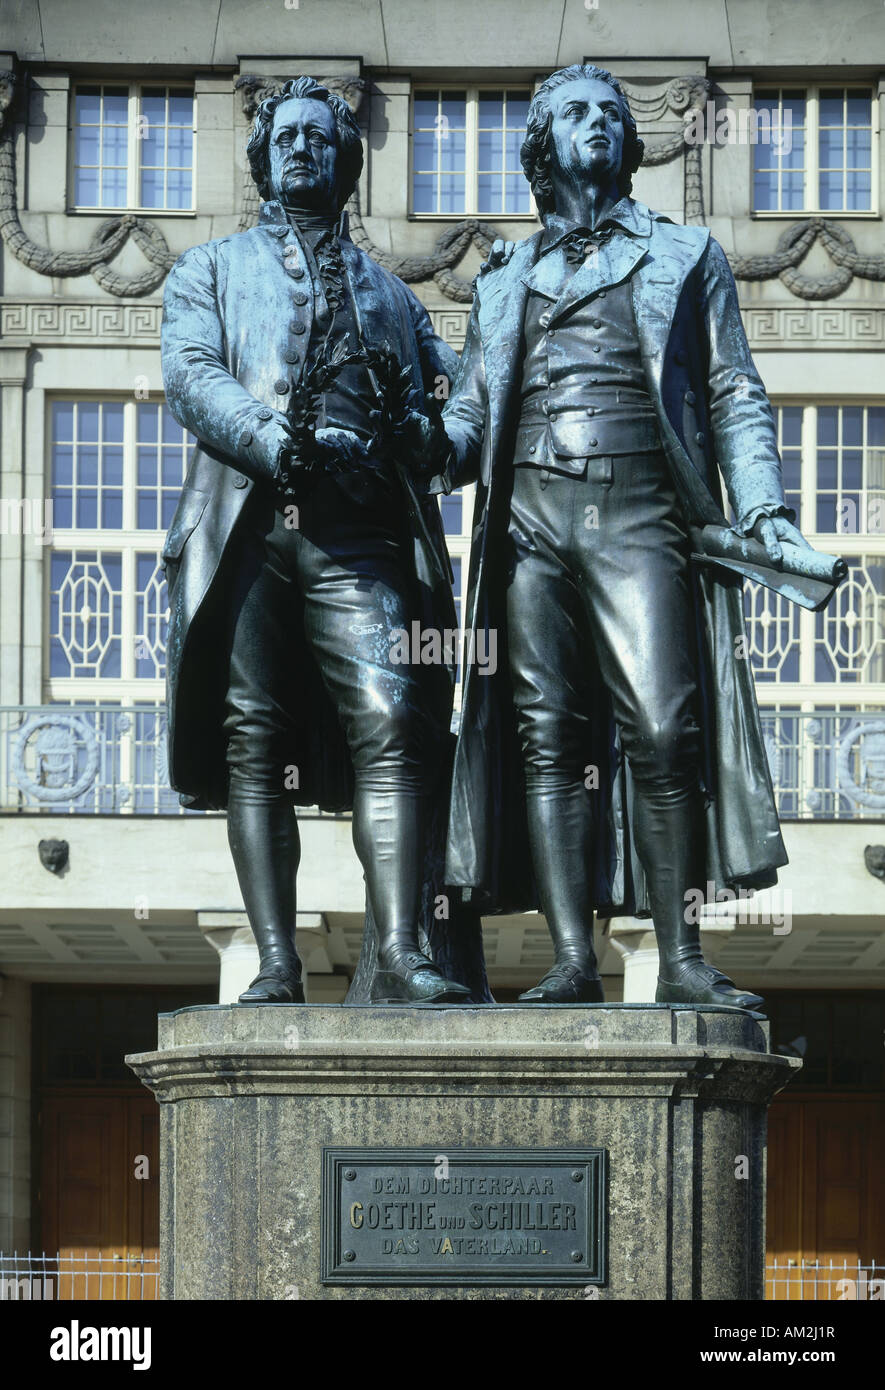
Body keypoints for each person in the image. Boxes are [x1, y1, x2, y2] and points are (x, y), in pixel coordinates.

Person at [436, 63, 817, 1008]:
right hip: (527, 516)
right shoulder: (503, 279)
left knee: (662, 726)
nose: (597, 124)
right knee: (546, 737)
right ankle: (571, 959)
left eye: (610, 113)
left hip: (640, 505)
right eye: (574, 113)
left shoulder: (687, 254)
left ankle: (681, 958)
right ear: (541, 144)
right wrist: (408, 441)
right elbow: (470, 418)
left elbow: (732, 390)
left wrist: (761, 505)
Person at [161, 76, 469, 1004]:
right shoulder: (207, 269)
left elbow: (457, 416)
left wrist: (432, 437)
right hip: (249, 526)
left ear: (347, 162)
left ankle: (406, 952)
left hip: (359, 536)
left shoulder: (396, 298)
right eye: (284, 136)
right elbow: (190, 372)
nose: (300, 147)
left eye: (320, 137)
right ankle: (275, 964)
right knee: (254, 736)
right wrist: (275, 438)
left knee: (390, 718)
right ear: (262, 158)